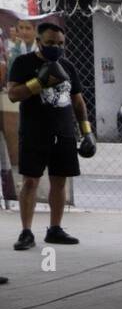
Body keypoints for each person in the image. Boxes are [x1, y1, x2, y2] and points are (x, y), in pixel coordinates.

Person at [5, 22, 95, 251]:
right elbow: (14, 94)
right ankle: (26, 232)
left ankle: (55, 229)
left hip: (63, 132)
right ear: (38, 41)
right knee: (31, 181)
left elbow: (77, 101)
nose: (56, 47)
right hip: (34, 131)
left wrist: (87, 132)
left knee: (60, 180)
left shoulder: (67, 66)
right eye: (50, 43)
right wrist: (39, 82)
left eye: (60, 43)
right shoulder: (23, 63)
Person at [2, 19, 39, 196]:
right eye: (21, 28)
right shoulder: (16, 49)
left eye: (27, 28)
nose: (24, 32)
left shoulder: (40, 49)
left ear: (35, 30)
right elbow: (12, 74)